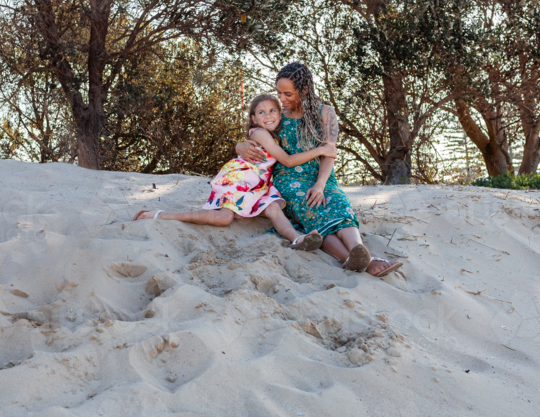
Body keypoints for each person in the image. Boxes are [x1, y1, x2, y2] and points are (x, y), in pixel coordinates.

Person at [235, 62, 403, 277]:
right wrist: (239, 146)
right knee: (313, 212)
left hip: (321, 176)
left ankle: (358, 251)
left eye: (288, 93)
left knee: (338, 204)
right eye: (279, 93)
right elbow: (255, 134)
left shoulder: (326, 113)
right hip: (288, 178)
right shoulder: (277, 115)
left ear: (304, 90)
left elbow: (329, 153)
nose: (282, 99)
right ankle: (361, 261)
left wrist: (321, 185)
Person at [134, 93, 336, 251]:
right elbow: (287, 160)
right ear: (253, 118)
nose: (268, 116)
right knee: (224, 218)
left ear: (280, 113)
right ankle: (162, 215)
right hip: (239, 179)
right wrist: (321, 150)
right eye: (262, 112)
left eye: (273, 110)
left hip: (259, 185)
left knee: (274, 209)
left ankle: (297, 239)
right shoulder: (260, 133)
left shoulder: (277, 134)